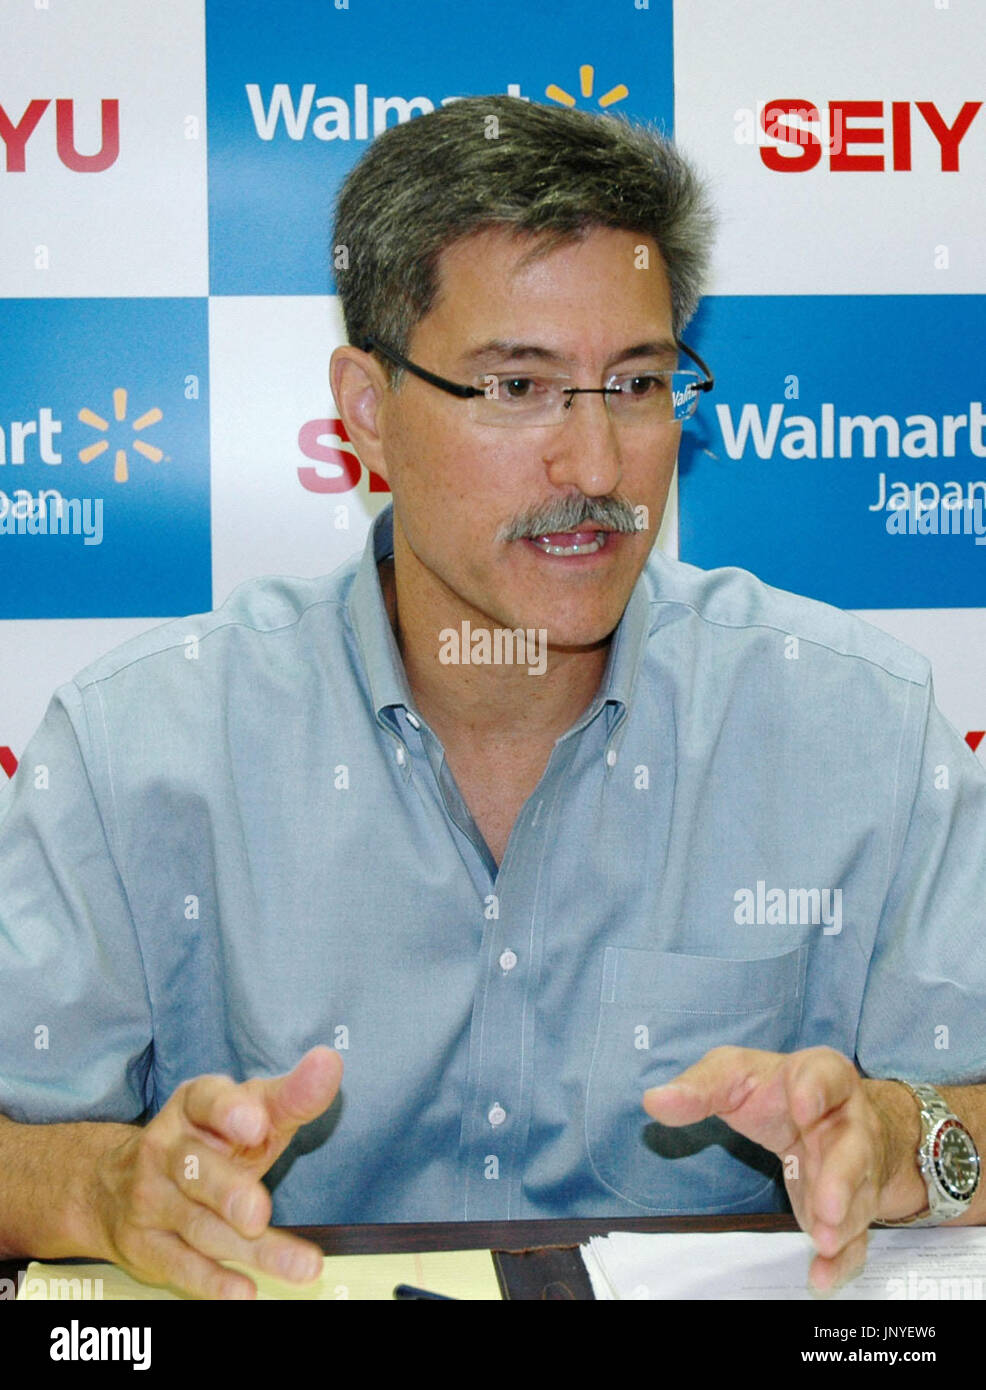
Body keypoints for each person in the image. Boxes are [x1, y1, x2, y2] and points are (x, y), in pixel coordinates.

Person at [1, 95, 984, 1302]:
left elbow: (971, 1121)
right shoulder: (138, 746)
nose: (594, 466)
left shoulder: (854, 728)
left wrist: (895, 1140)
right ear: (366, 414)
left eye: (634, 383)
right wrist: (100, 1186)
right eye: (517, 389)